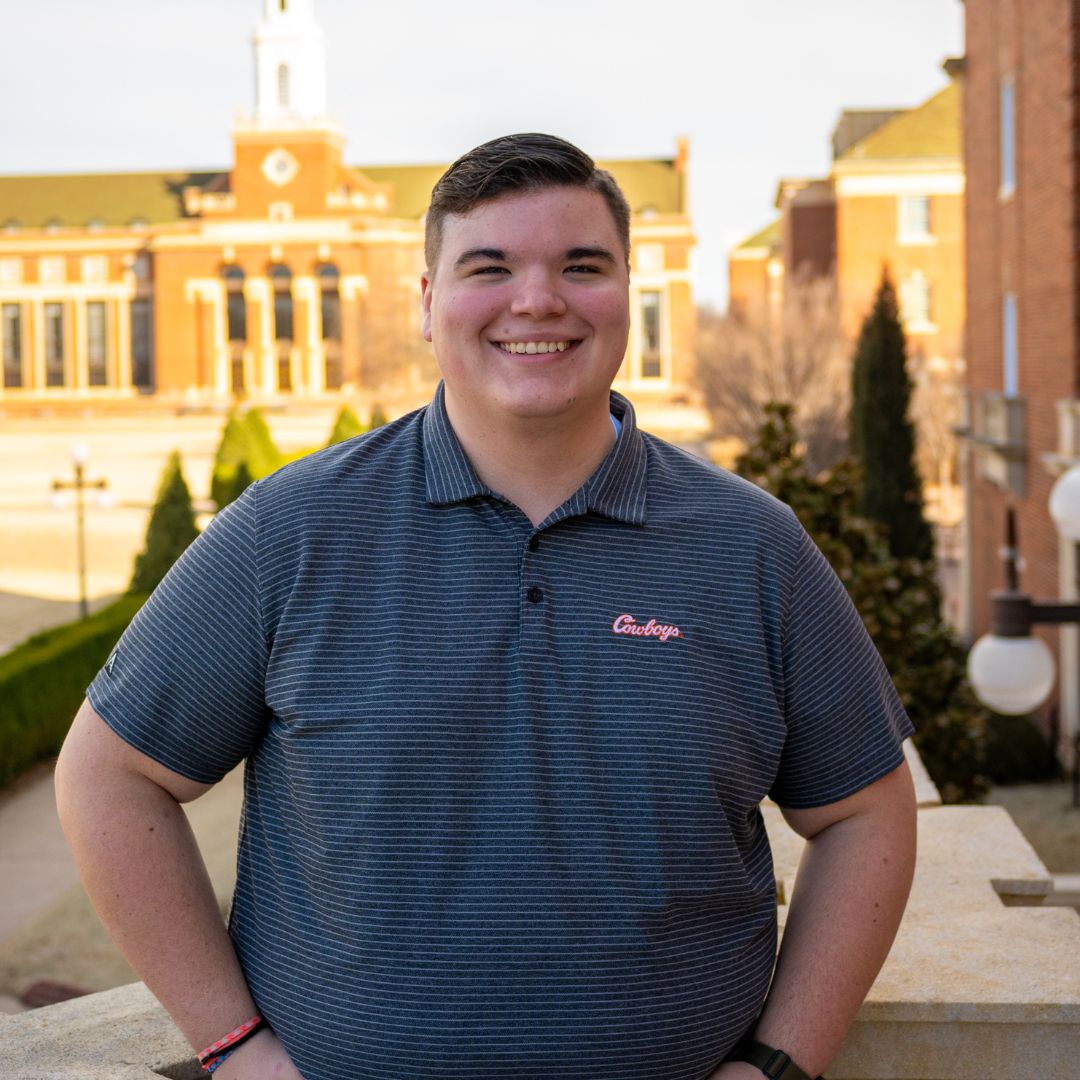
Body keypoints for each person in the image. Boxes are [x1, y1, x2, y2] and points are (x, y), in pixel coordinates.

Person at [56, 133, 917, 1080]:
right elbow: (108, 777)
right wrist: (233, 1048)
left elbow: (867, 814)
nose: (537, 300)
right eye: (489, 267)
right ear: (428, 302)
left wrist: (780, 1067)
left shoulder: (751, 545)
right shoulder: (290, 530)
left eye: (581, 266)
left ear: (627, 291)